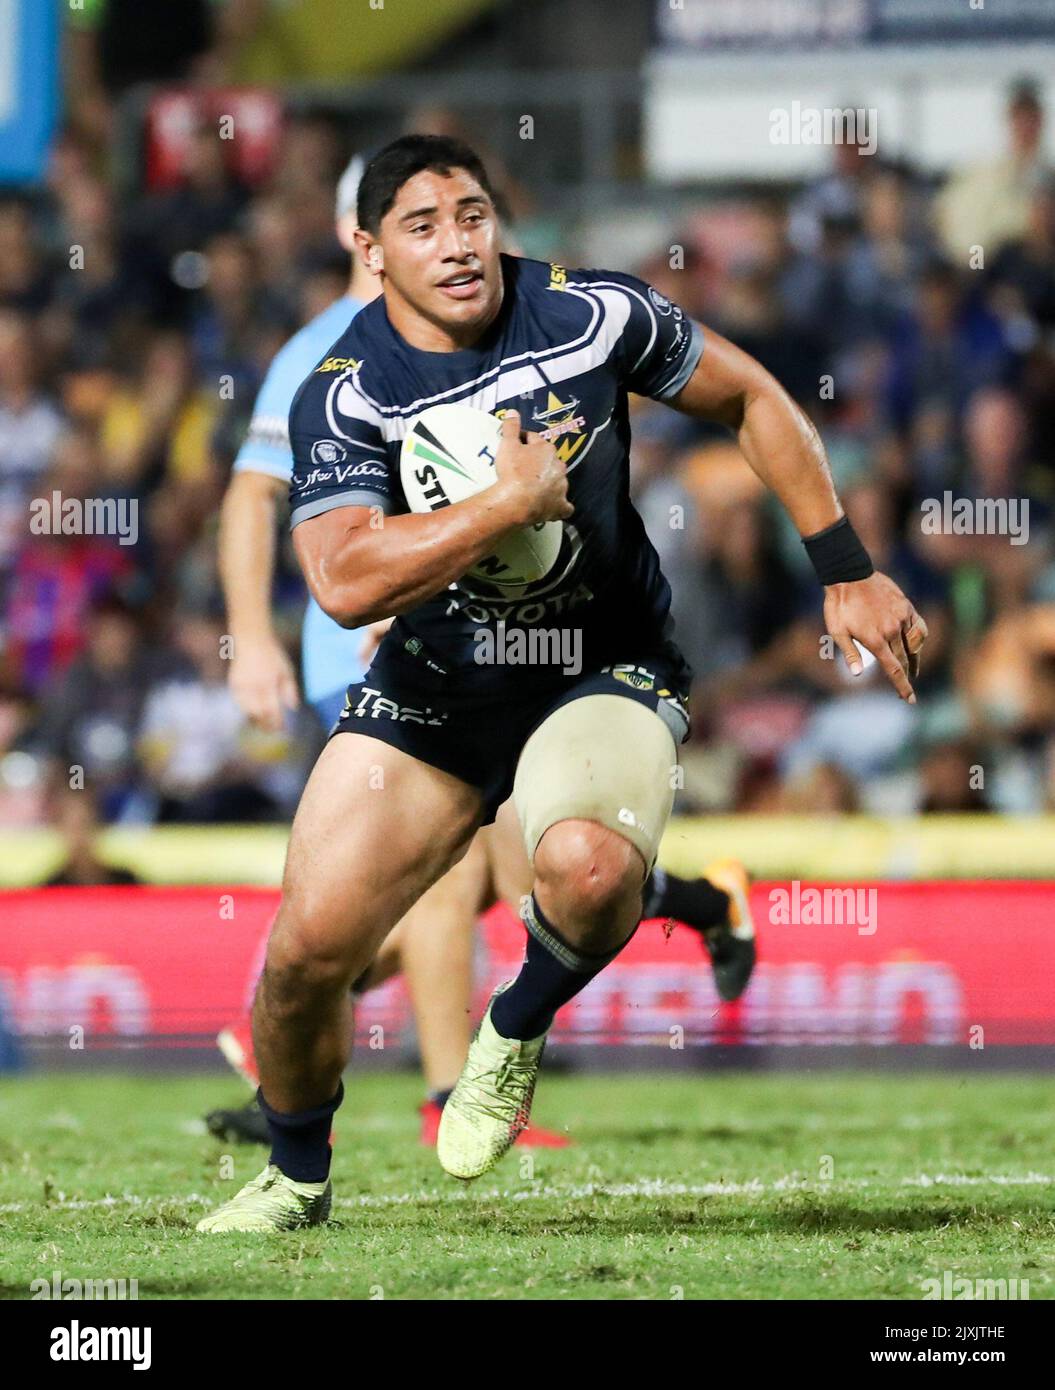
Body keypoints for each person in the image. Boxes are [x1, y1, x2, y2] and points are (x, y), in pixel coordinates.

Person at [200, 133, 903, 1233]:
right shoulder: (339, 387)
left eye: (471, 214)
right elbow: (338, 582)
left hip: (602, 666)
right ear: (369, 249)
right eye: (422, 226)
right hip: (433, 685)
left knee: (581, 867)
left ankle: (508, 1031)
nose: (457, 243)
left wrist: (844, 568)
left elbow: (752, 397)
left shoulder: (590, 314)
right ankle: (294, 1175)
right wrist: (501, 505)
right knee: (301, 957)